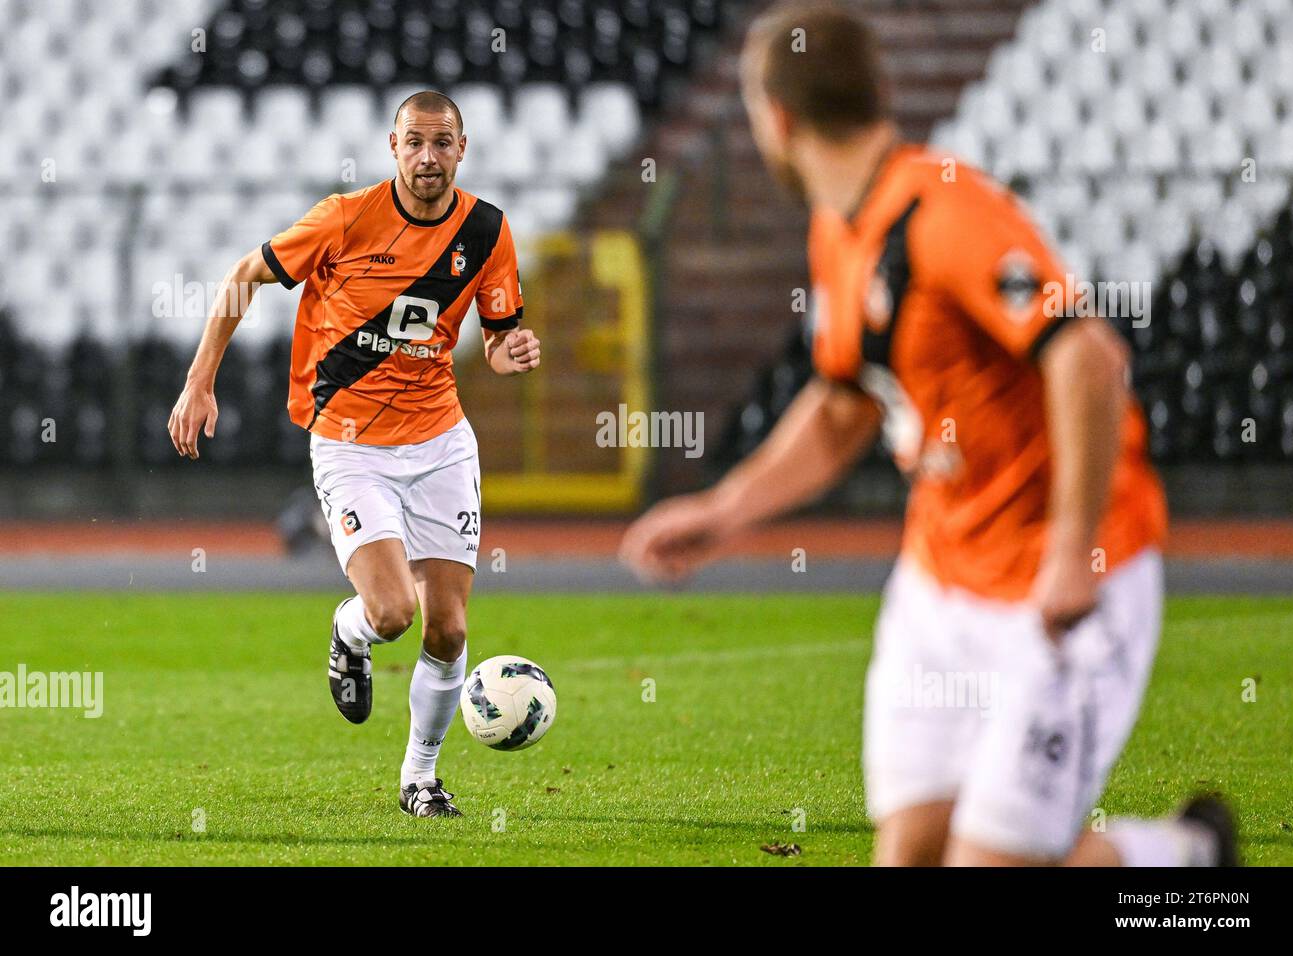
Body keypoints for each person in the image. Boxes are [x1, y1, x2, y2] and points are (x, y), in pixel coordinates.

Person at [619, 3, 1235, 866]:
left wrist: (1071, 547)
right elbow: (844, 408)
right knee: (910, 851)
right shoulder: (840, 228)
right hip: (941, 584)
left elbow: (1088, 359)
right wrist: (727, 510)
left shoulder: (945, 213)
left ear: (777, 116)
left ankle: (1180, 860)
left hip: (1052, 585)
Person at [168, 91, 541, 819]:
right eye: (414, 142)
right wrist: (198, 380)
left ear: (462, 149)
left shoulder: (489, 231)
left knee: (451, 627)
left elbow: (496, 337)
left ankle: (420, 780)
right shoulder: (344, 219)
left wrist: (509, 351)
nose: (427, 157)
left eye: (442, 143)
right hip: (350, 444)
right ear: (392, 147)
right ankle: (350, 630)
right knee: (394, 611)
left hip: (440, 443)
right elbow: (244, 275)